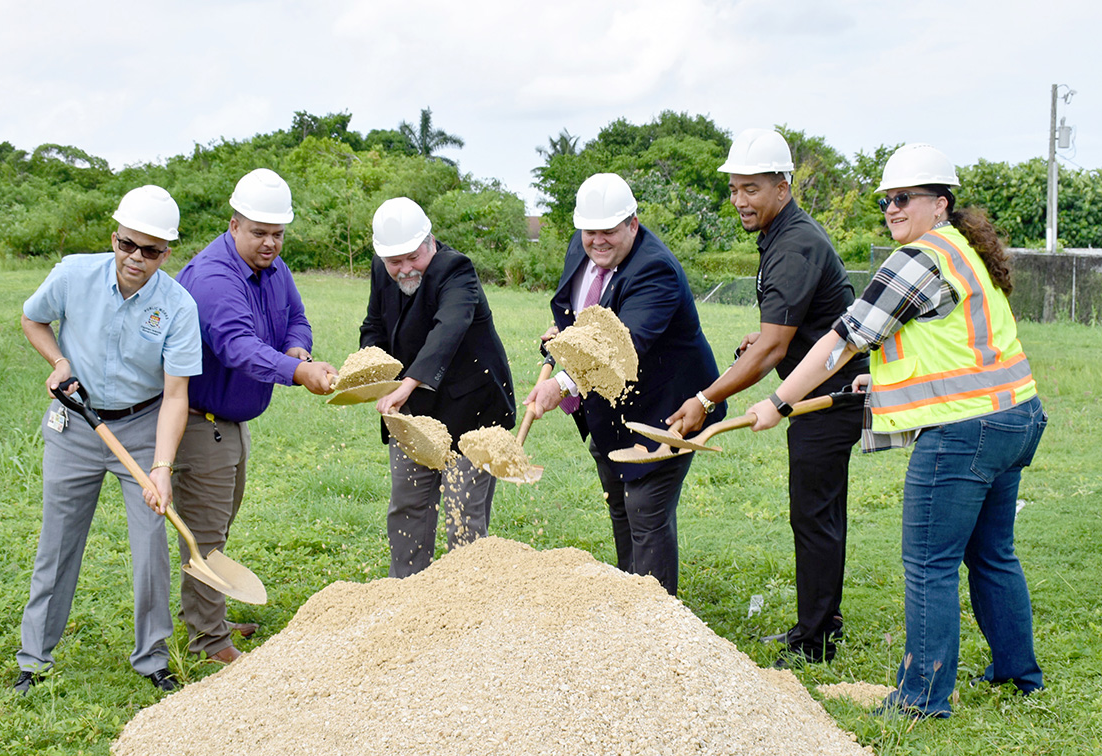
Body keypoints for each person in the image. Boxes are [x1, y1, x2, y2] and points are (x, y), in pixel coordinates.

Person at [748, 143, 1046, 718]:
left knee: (930, 563)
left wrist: (780, 401)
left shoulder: (917, 259)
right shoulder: (963, 250)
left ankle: (921, 699)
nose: (892, 209)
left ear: (940, 203)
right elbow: (952, 345)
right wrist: (879, 381)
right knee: (993, 555)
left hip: (965, 432)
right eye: (886, 200)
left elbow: (841, 340)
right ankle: (1017, 675)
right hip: (1015, 416)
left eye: (905, 198)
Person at [667, 129, 868, 665]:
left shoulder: (794, 246)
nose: (739, 200)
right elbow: (792, 329)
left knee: (814, 515)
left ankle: (815, 640)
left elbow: (774, 349)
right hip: (818, 384)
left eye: (751, 188)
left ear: (783, 187)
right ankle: (823, 621)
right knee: (819, 511)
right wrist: (769, 338)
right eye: (734, 189)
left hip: (826, 396)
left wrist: (704, 399)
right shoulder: (783, 235)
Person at [14, 186, 201, 694]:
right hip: (74, 422)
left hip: (141, 429)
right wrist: (59, 362)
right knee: (58, 540)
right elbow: (33, 318)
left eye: (151, 251)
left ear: (167, 253)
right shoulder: (73, 275)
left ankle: (152, 657)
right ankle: (34, 658)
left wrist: (161, 466)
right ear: (114, 237)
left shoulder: (178, 306)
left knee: (150, 544)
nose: (136, 258)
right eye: (127, 244)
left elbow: (176, 395)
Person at [525, 173, 724, 596]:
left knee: (646, 509)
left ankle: (656, 614)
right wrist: (566, 333)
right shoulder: (583, 246)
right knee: (619, 501)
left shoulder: (655, 270)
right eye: (589, 231)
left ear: (633, 223)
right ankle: (630, 596)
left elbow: (622, 346)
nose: (597, 240)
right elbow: (583, 310)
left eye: (609, 231)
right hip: (610, 407)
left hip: (666, 407)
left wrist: (562, 383)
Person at [173, 168, 336, 664]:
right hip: (199, 420)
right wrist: (297, 372)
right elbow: (238, 346)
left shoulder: (274, 268)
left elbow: (296, 318)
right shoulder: (214, 277)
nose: (270, 243)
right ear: (234, 225)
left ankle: (205, 617)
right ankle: (209, 641)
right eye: (259, 232)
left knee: (217, 526)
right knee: (205, 533)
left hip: (230, 422)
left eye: (278, 234)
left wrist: (297, 349)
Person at [360, 197, 515, 577]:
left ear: (429, 240)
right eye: (394, 262)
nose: (405, 269)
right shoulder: (383, 269)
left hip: (472, 410)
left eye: (413, 257)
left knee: (463, 513)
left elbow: (448, 329)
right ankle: (407, 589)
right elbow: (374, 325)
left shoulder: (456, 270)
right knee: (407, 507)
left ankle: (466, 595)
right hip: (412, 413)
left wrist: (407, 384)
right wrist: (372, 370)